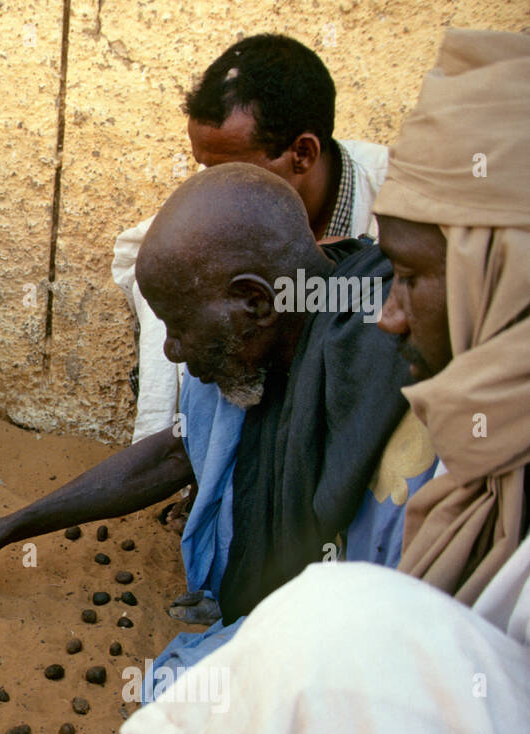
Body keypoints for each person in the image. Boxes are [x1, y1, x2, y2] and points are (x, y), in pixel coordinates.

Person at [35, 29, 530, 734]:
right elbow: (181, 442)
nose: (393, 314)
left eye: (410, 277)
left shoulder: (371, 335)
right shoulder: (282, 324)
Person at [0, 163, 428, 682]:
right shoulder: (258, 343)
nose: (172, 352)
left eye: (179, 328)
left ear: (254, 303)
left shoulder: (392, 411)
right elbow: (177, 452)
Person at [117, 34, 389, 446]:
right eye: (203, 168)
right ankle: (196, 460)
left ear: (302, 153)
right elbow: (139, 255)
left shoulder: (398, 206)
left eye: (228, 168)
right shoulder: (226, 207)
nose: (213, 185)